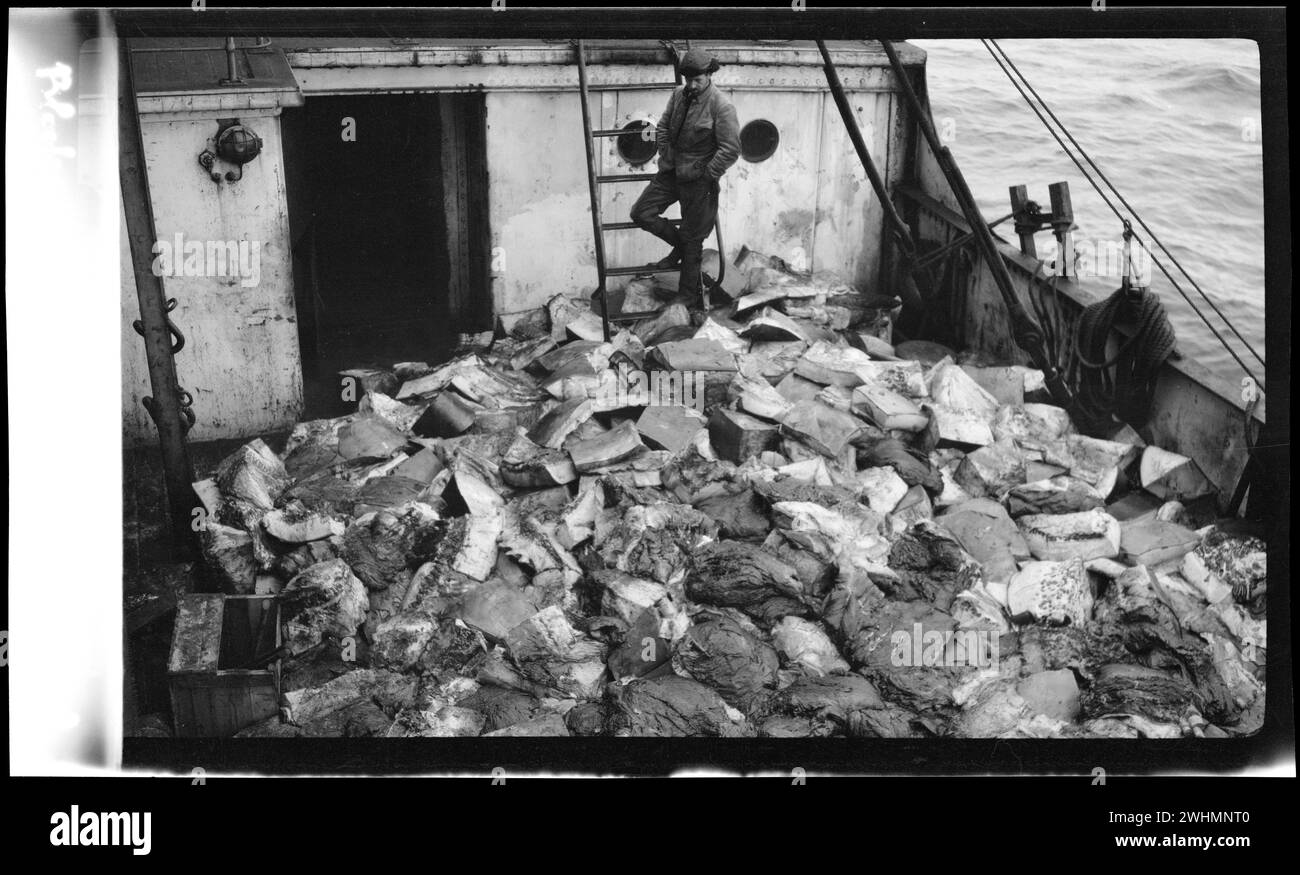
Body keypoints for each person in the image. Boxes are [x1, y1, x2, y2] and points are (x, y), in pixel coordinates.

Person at [630, 47, 740, 299]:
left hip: (699, 181)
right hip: (670, 172)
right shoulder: (678, 94)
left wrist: (707, 174)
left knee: (693, 239)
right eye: (688, 79)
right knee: (641, 212)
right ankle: (681, 249)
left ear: (709, 76)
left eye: (697, 80)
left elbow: (731, 149)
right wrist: (666, 153)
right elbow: (664, 126)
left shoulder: (722, 107)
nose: (691, 85)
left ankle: (687, 296)